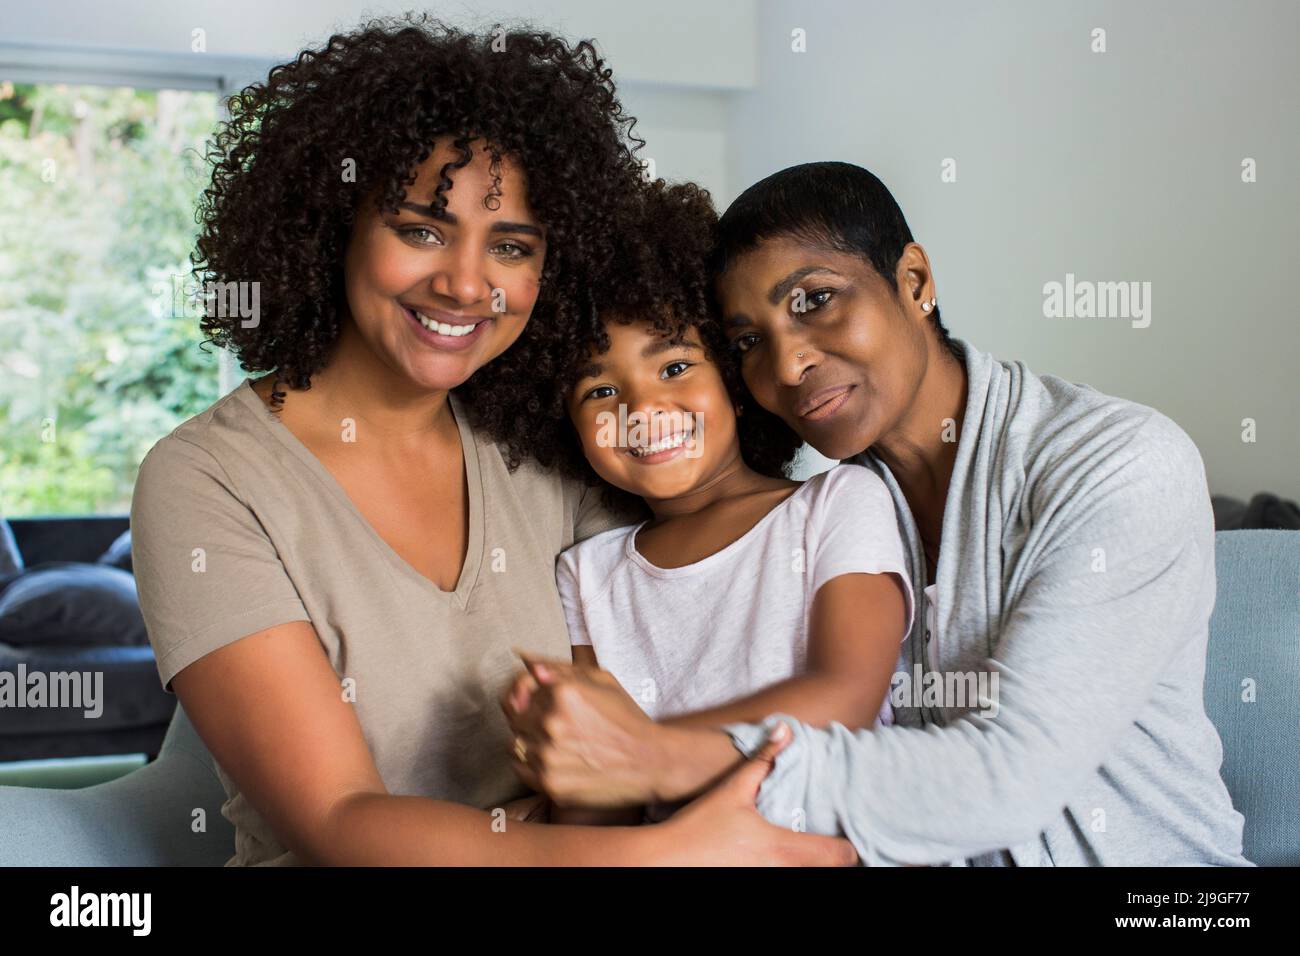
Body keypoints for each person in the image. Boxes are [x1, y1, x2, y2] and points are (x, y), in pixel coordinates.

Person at [130, 18, 854, 867]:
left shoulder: (550, 443)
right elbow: (337, 822)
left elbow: (719, 606)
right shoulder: (207, 481)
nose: (467, 283)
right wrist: (674, 856)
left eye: (510, 246)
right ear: (334, 224)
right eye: (421, 230)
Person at [504, 161, 1250, 866]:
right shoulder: (851, 495)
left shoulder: (1120, 462)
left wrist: (650, 755)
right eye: (749, 342)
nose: (790, 364)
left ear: (915, 281)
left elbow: (1009, 777)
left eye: (814, 300)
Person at [506, 183, 911, 826]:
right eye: (601, 390)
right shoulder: (584, 575)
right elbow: (597, 798)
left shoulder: (836, 503)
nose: (642, 410)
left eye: (673, 368)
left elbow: (845, 698)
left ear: (733, 379)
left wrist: (641, 750)